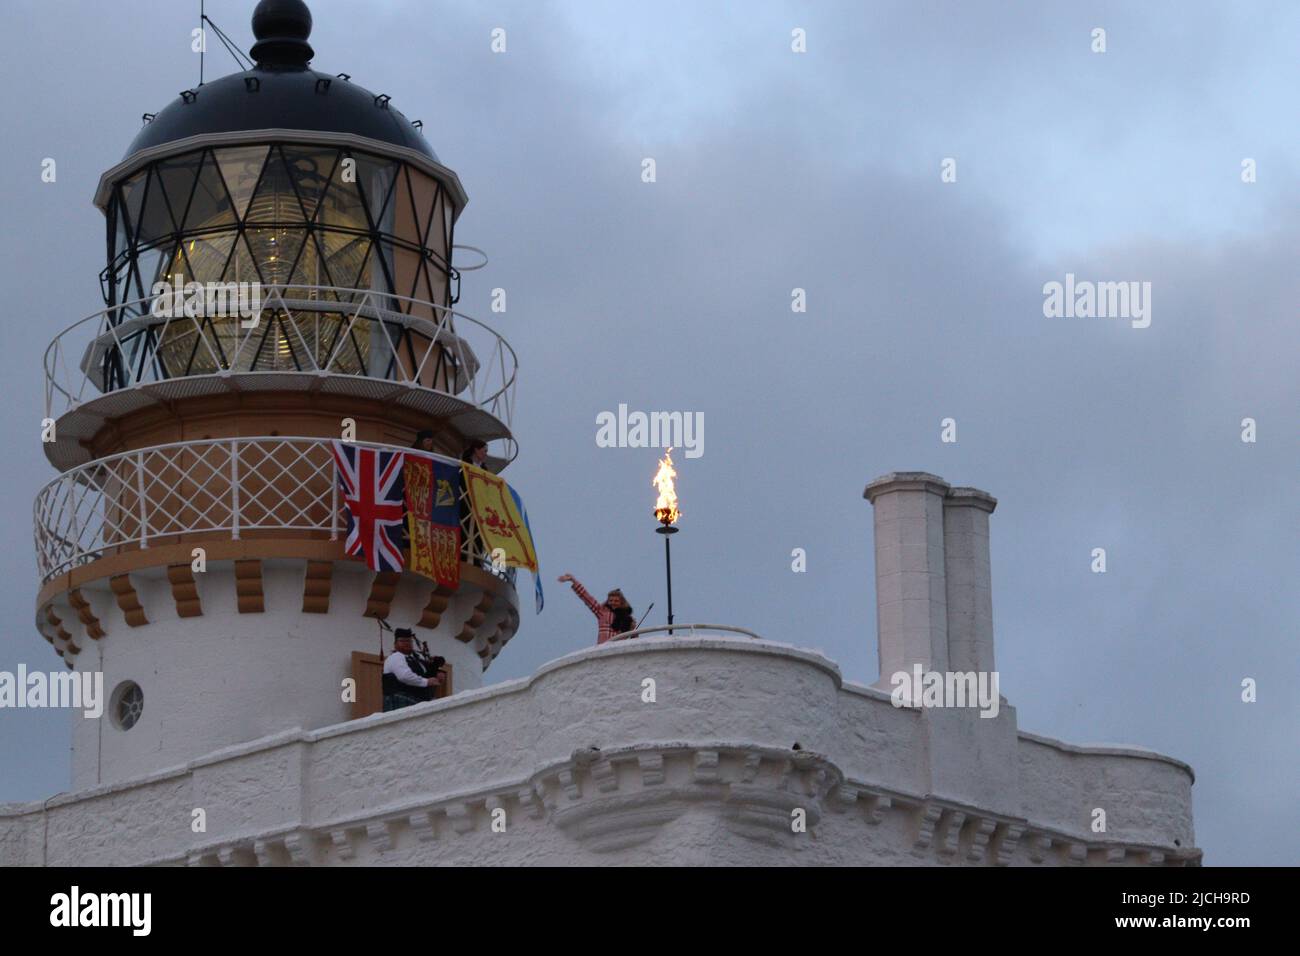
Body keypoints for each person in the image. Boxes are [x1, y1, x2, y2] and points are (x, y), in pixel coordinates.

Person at [558, 574, 635, 645]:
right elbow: (587, 598)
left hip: (619, 651)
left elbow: (634, 639)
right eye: (611, 600)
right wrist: (573, 580)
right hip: (603, 650)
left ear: (621, 602)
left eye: (616, 601)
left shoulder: (628, 618)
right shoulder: (602, 612)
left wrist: (633, 628)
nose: (613, 603)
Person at [382, 628, 444, 712]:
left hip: (418, 702)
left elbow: (425, 675)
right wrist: (427, 682)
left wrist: (437, 671)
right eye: (402, 641)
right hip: (402, 701)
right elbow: (404, 676)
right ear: (395, 644)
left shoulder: (416, 660)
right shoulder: (396, 657)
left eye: (409, 641)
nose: (406, 643)